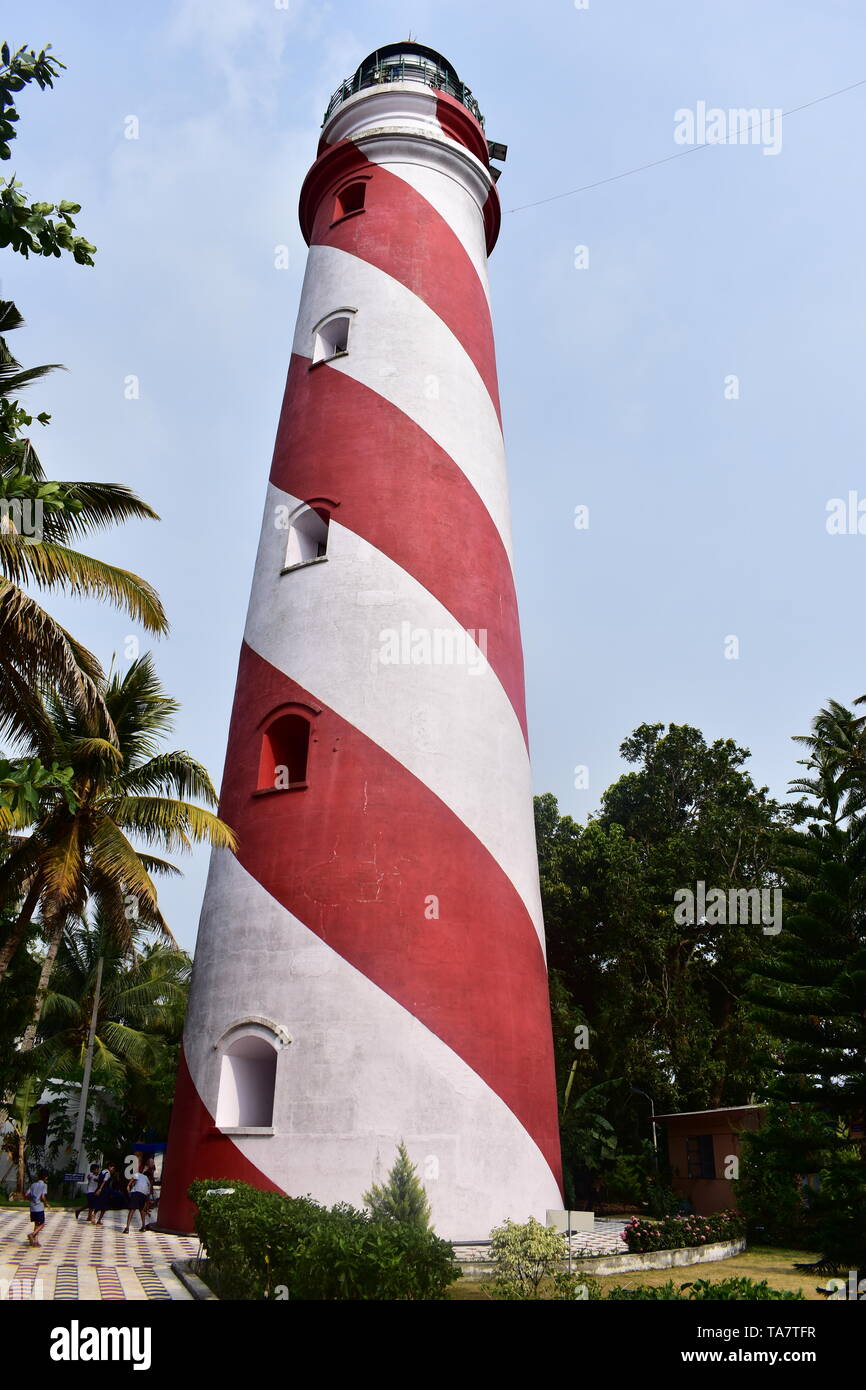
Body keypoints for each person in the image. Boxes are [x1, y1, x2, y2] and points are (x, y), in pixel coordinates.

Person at [25, 1169, 49, 1248]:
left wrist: (32, 1199)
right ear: (45, 1177)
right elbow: (43, 1196)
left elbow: (26, 1195)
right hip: (39, 1208)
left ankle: (36, 1241)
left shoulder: (33, 1185)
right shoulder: (44, 1185)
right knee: (42, 1224)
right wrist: (46, 1203)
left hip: (32, 1207)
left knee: (36, 1224)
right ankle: (32, 1235)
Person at [124, 1166, 151, 1234]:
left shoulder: (138, 1174)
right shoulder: (147, 1180)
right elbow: (148, 1195)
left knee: (132, 1210)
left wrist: (128, 1186)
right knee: (141, 1210)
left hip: (136, 1193)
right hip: (143, 1194)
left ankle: (127, 1228)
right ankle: (143, 1226)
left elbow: (132, 1180)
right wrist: (147, 1209)